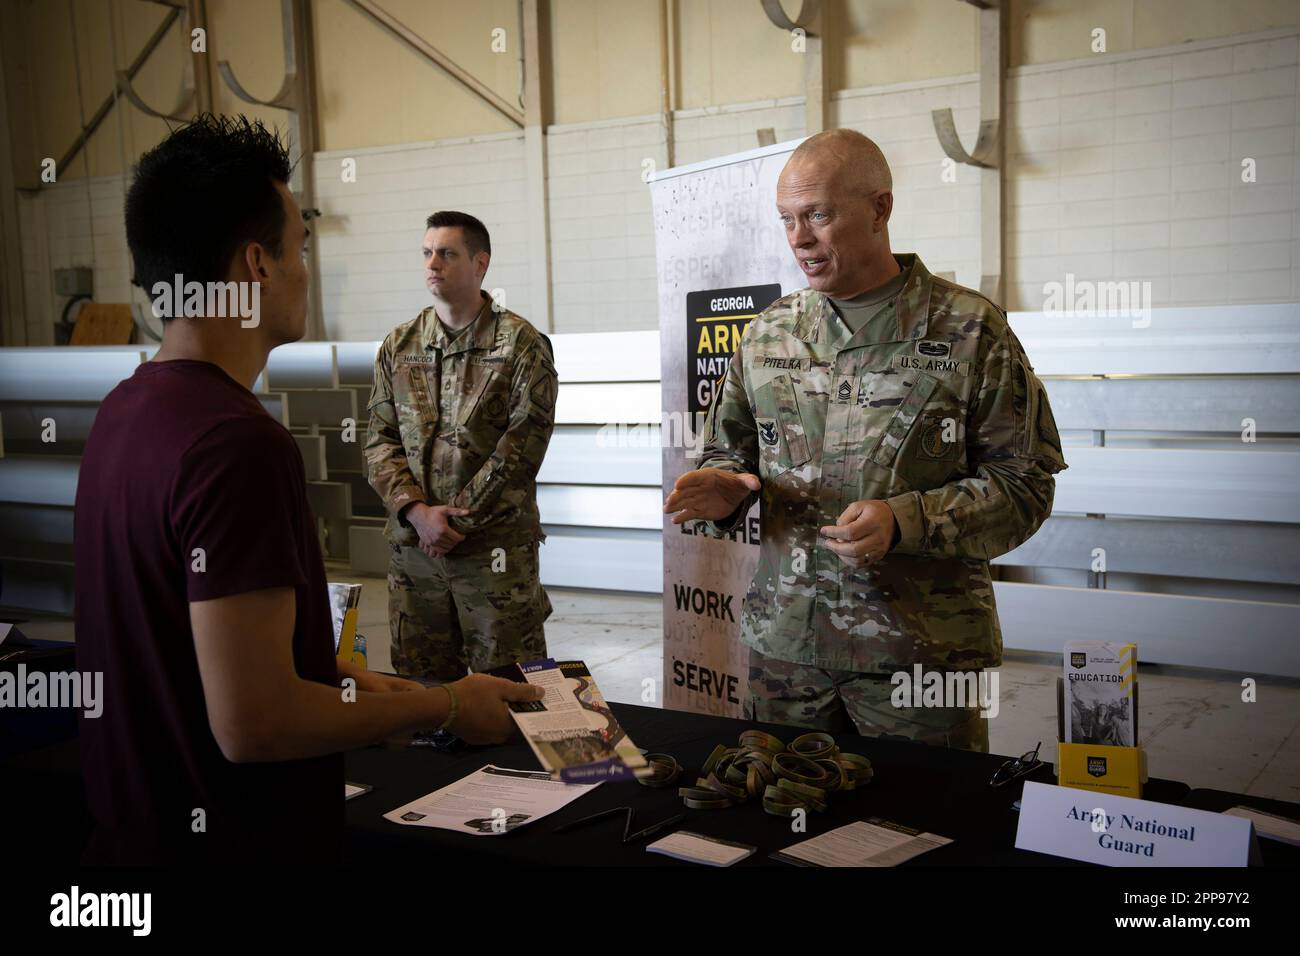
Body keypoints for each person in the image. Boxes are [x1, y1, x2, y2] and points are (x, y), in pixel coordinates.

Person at [74, 114, 542, 865]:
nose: (304, 269)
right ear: (257, 264)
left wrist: (352, 686)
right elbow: (256, 721)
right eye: (299, 248)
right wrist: (450, 703)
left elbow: (189, 658)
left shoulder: (126, 412)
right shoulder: (235, 444)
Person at [663, 128, 1067, 752]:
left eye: (819, 215)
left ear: (880, 209)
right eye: (788, 219)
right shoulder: (771, 333)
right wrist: (723, 487)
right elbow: (729, 452)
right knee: (779, 821)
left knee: (926, 830)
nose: (799, 238)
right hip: (786, 654)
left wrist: (906, 521)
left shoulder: (968, 329)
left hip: (921, 660)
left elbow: (1025, 484)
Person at [365, 211, 557, 682]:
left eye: (447, 254)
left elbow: (521, 449)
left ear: (480, 263)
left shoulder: (521, 345)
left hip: (492, 550)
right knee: (423, 685)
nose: (433, 264)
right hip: (414, 550)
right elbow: (378, 440)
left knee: (512, 682)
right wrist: (417, 513)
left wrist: (452, 520)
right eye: (427, 253)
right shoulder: (399, 344)